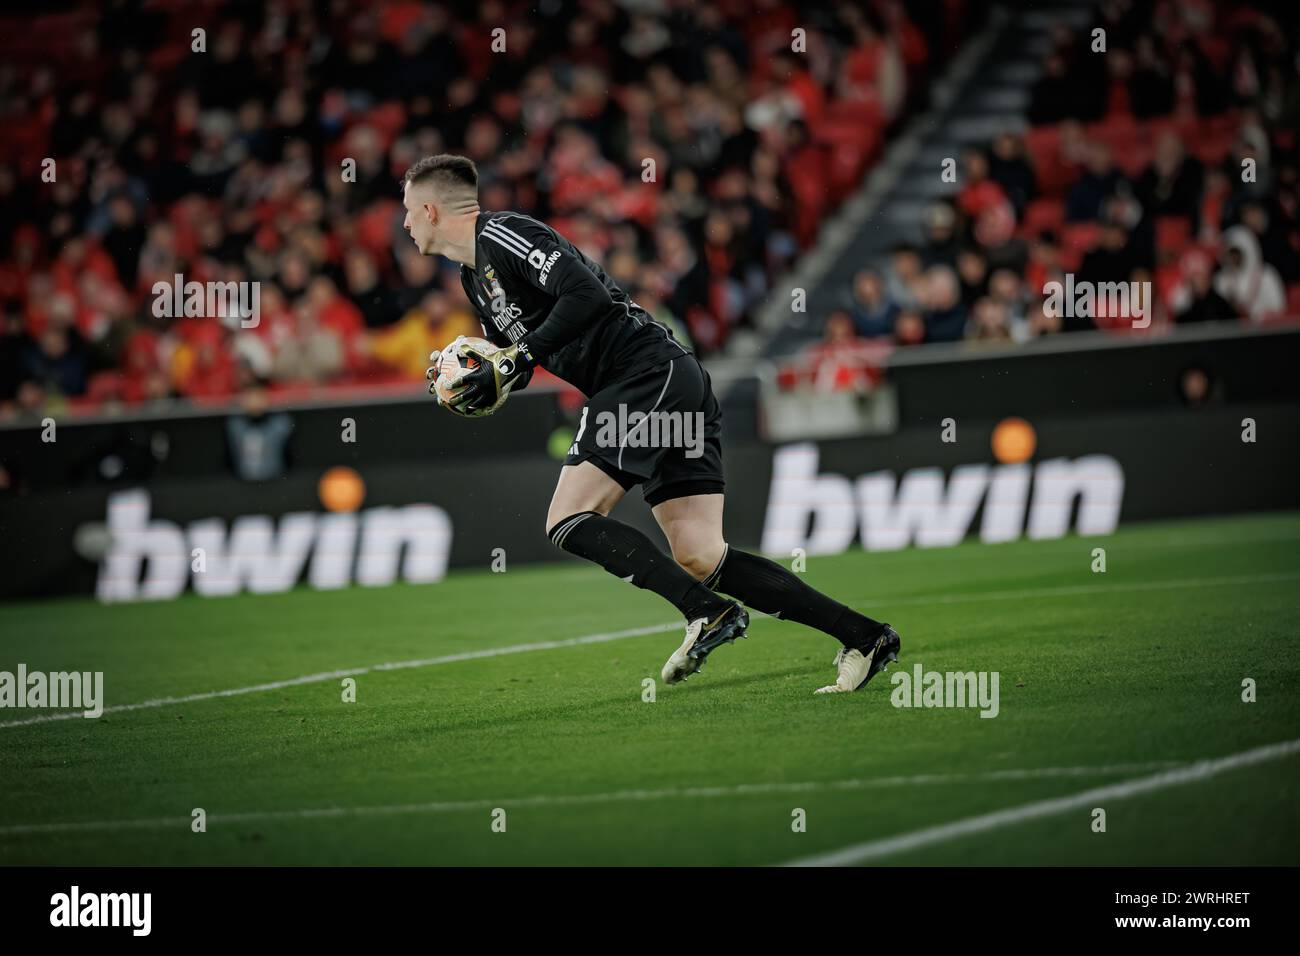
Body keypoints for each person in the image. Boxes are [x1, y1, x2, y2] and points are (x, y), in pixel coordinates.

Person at [402, 154, 900, 694]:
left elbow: (586, 296)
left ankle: (706, 615)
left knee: (568, 518)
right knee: (701, 554)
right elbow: (520, 359)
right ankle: (865, 636)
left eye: (408, 212)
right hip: (665, 386)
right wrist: (480, 379)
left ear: (430, 209)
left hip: (644, 373)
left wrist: (520, 357)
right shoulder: (472, 279)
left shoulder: (506, 235)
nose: (405, 225)